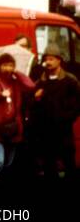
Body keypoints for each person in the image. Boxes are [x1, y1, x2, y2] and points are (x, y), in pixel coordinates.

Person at [0, 52, 34, 184]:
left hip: (13, 128)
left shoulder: (15, 82)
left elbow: (31, 86)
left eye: (10, 65)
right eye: (5, 65)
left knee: (8, 162)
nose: (7, 68)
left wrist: (18, 73)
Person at [31, 44, 80, 180]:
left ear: (59, 60)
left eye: (52, 59)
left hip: (64, 128)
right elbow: (33, 105)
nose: (48, 62)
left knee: (68, 160)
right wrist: (36, 98)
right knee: (48, 162)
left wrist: (68, 117)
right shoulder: (41, 81)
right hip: (46, 129)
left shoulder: (70, 80)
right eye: (46, 59)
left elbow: (77, 103)